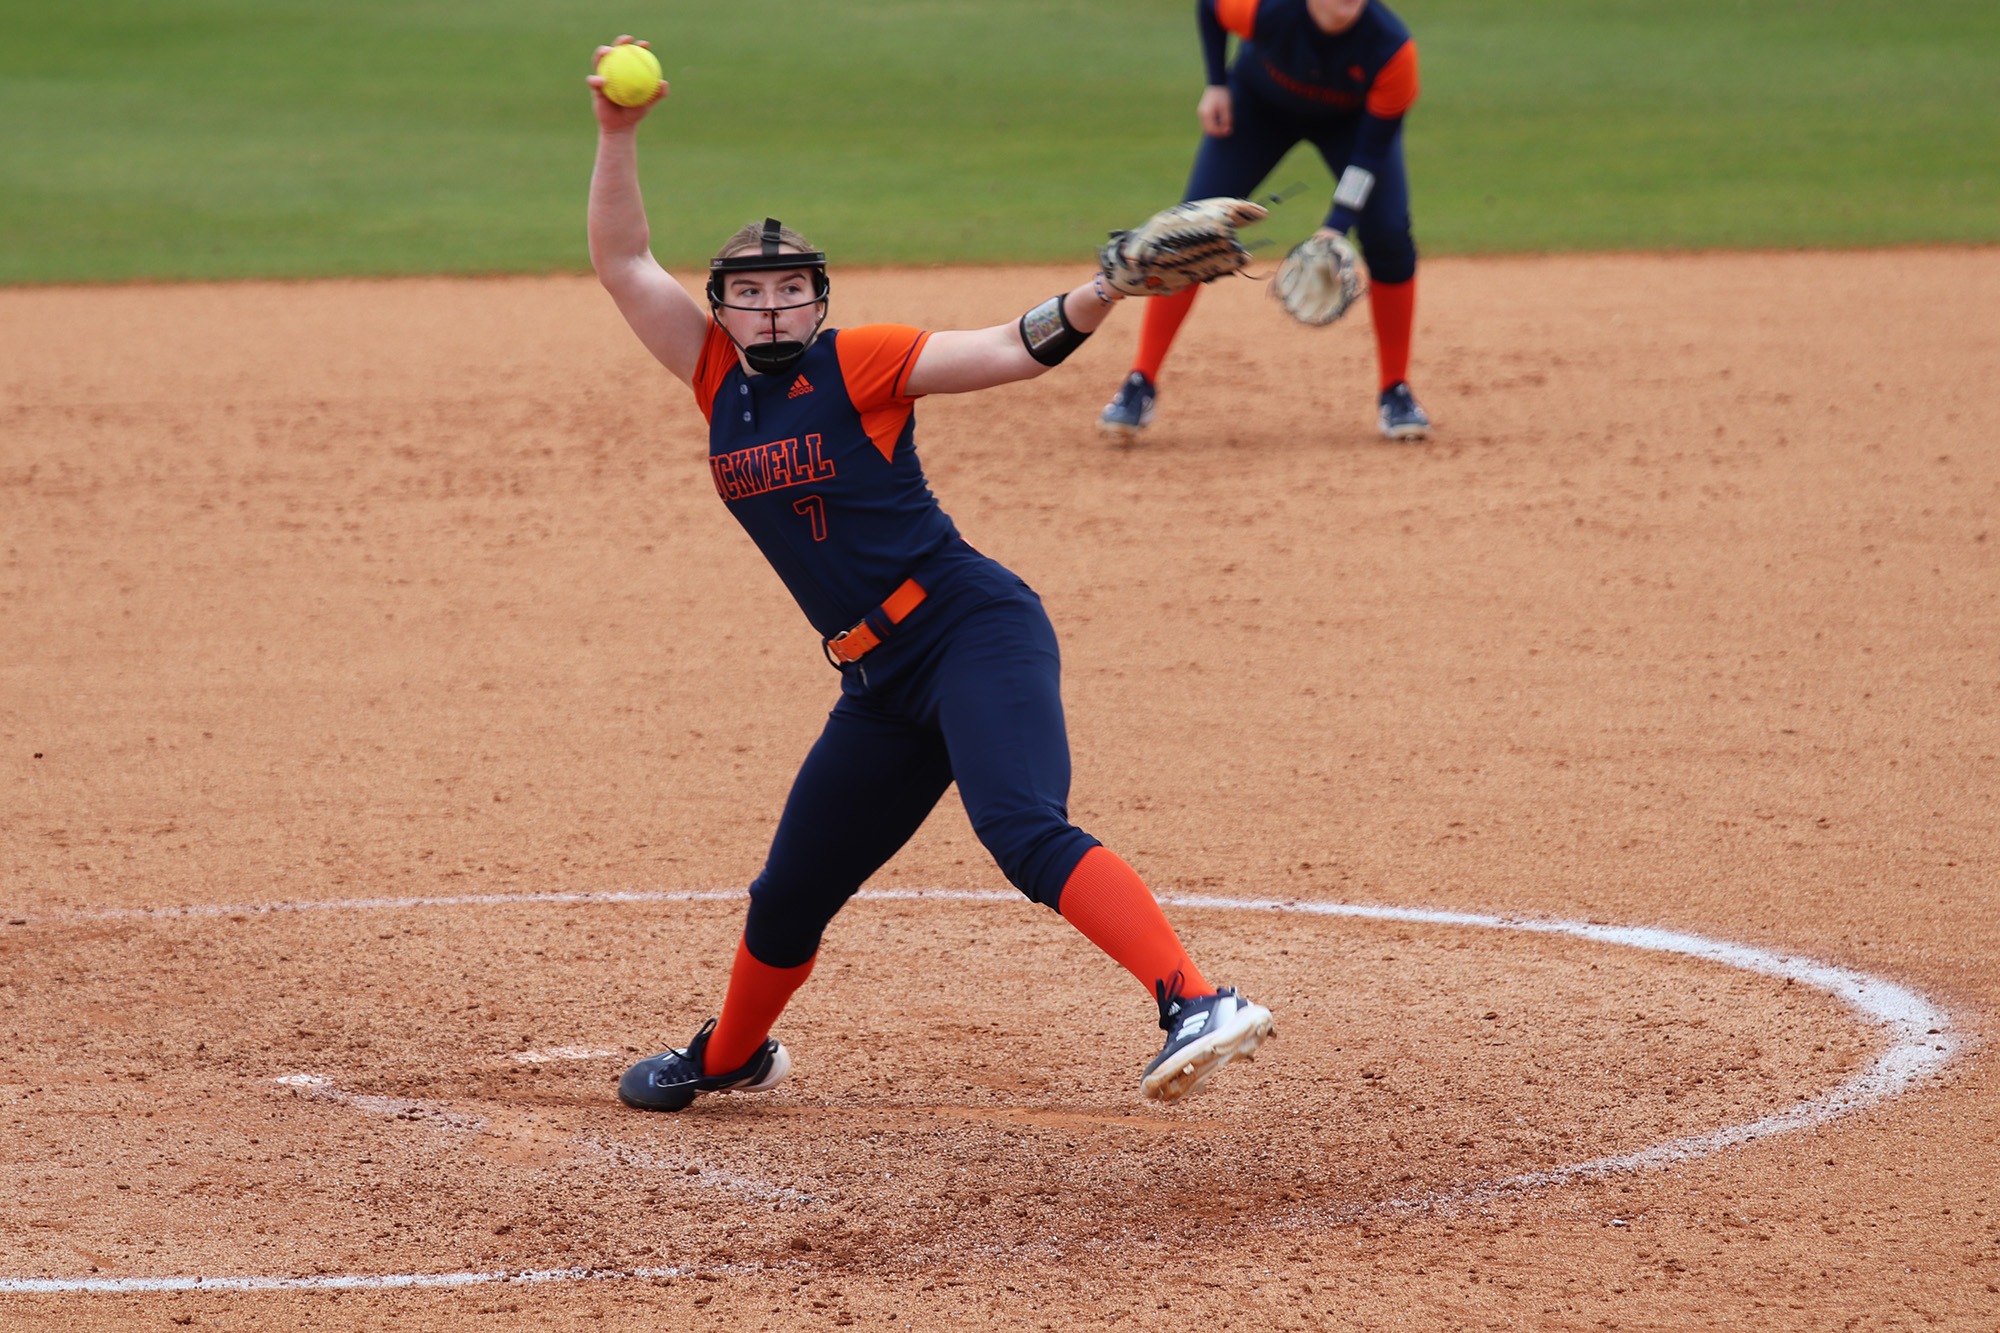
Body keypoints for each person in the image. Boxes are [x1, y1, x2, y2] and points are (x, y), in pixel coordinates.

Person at [584, 39, 1274, 1111]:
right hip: (876, 683)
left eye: (789, 291)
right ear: (719, 306)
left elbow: (1008, 347)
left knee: (1020, 826)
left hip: (967, 627)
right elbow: (626, 263)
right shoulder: (712, 374)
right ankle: (730, 1054)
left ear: (818, 300)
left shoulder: (859, 360)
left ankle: (1194, 998)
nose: (769, 310)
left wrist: (1102, 288)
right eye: (747, 293)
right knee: (788, 896)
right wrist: (617, 135)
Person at [1099, 0, 1431, 442]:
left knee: (1388, 235)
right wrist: (1216, 83)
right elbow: (1211, 8)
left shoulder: (1392, 50)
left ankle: (1396, 390)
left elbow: (1367, 160)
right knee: (1187, 235)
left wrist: (1336, 225)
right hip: (1259, 108)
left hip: (1351, 127)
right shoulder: (1269, 9)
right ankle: (1139, 381)